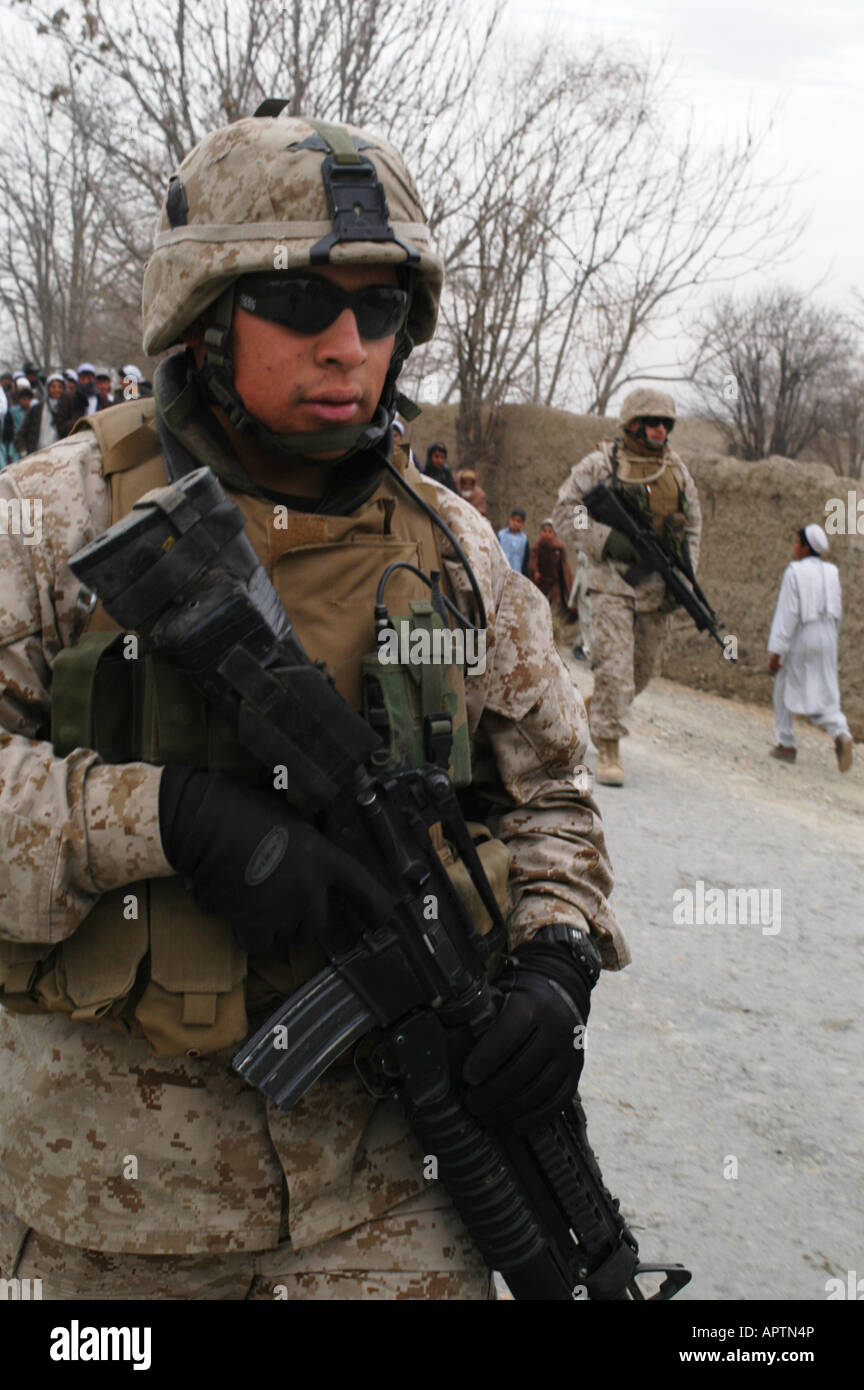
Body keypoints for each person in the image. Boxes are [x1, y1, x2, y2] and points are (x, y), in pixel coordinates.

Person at [0, 109, 625, 1301]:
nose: (348, 345)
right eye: (300, 304)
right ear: (204, 311)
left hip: (386, 1201)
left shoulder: (456, 554)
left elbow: (558, 795)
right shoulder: (51, 519)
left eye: (380, 309)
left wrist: (556, 962)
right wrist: (169, 818)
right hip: (107, 1209)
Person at [553, 388, 702, 787]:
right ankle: (609, 745)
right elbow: (566, 511)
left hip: (656, 588)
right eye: (652, 422)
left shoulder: (677, 472)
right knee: (615, 670)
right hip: (610, 585)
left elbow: (692, 530)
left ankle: (597, 710)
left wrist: (684, 582)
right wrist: (605, 540)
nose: (659, 430)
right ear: (632, 424)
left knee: (643, 672)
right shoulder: (601, 464)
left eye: (665, 423)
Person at [767, 524, 853, 772]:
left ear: (805, 548)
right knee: (826, 690)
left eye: (797, 543)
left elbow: (788, 614)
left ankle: (786, 743)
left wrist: (777, 652)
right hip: (828, 636)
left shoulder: (794, 572)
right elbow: (838, 612)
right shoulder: (832, 572)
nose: (794, 548)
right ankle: (841, 732)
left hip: (803, 634)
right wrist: (830, 643)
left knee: (783, 684)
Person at [13, 371, 65, 456]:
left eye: (60, 387)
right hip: (37, 454)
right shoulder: (37, 409)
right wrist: (23, 452)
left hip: (60, 455)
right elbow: (20, 435)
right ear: (48, 388)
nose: (56, 390)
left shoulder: (67, 408)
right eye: (53, 387)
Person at [497, 507, 531, 575]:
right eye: (513, 520)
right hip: (501, 572)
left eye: (518, 521)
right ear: (509, 520)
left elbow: (525, 560)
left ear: (522, 523)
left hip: (517, 573)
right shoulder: (501, 535)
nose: (515, 523)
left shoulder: (524, 539)